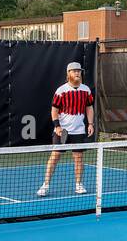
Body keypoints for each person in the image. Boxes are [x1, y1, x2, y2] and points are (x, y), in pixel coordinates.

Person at [37, 62, 95, 197]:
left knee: (78, 158)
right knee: (55, 156)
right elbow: (54, 110)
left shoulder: (86, 90)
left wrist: (90, 124)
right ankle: (45, 185)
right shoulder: (61, 90)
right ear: (68, 73)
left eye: (79, 71)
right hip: (62, 130)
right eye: (74, 71)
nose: (77, 73)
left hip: (79, 131)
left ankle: (79, 185)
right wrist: (57, 126)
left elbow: (89, 107)